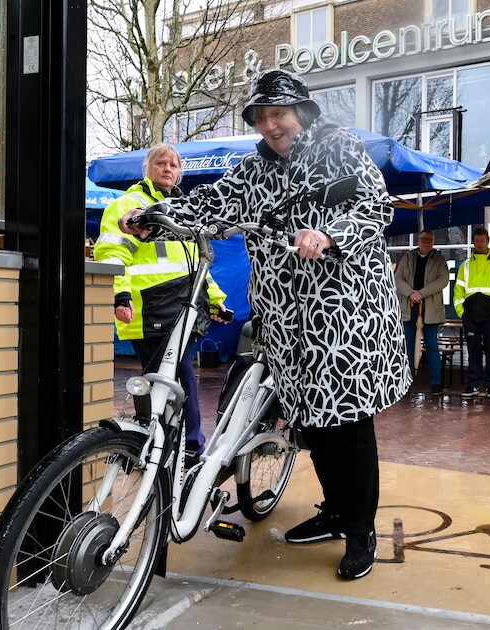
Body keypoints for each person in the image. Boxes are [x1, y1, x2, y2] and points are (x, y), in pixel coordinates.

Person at [119, 69, 410, 580]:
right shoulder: (251, 169)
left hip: (343, 313)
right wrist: (155, 215)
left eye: (279, 114)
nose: (271, 125)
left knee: (346, 424)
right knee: (310, 420)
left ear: (301, 112)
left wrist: (329, 234)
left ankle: (359, 529)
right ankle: (335, 512)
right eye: (261, 117)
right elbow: (210, 203)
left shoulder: (338, 147)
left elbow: (372, 206)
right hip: (283, 318)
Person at [94, 143, 228, 459]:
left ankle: (160, 446)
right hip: (149, 307)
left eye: (173, 165)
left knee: (172, 379)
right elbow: (112, 254)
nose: (168, 169)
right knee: (170, 378)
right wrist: (120, 295)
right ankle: (176, 446)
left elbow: (197, 264)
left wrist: (215, 300)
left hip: (185, 306)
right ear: (147, 169)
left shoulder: (183, 209)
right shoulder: (128, 205)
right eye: (161, 163)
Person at [452, 228, 490, 399]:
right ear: (473, 242)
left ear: (488, 241)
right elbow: (458, 290)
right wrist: (461, 311)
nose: (479, 244)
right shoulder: (465, 265)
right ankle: (473, 385)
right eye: (477, 241)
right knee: (473, 350)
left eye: (482, 241)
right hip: (470, 315)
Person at [395, 230, 449, 395]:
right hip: (409, 308)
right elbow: (398, 278)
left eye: (429, 239)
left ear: (433, 241)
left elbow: (443, 280)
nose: (426, 242)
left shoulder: (439, 258)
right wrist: (410, 294)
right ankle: (407, 381)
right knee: (408, 346)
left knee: (432, 345)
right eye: (423, 239)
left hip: (431, 309)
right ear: (418, 240)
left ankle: (435, 383)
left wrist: (421, 293)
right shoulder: (408, 257)